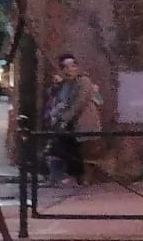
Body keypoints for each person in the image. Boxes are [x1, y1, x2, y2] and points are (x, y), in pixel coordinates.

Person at [43, 53, 101, 186]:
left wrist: (64, 119)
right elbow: (59, 100)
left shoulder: (84, 81)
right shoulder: (65, 84)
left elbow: (78, 103)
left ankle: (83, 181)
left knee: (85, 153)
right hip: (69, 125)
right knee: (63, 149)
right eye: (65, 67)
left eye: (73, 66)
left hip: (83, 123)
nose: (69, 70)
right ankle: (65, 177)